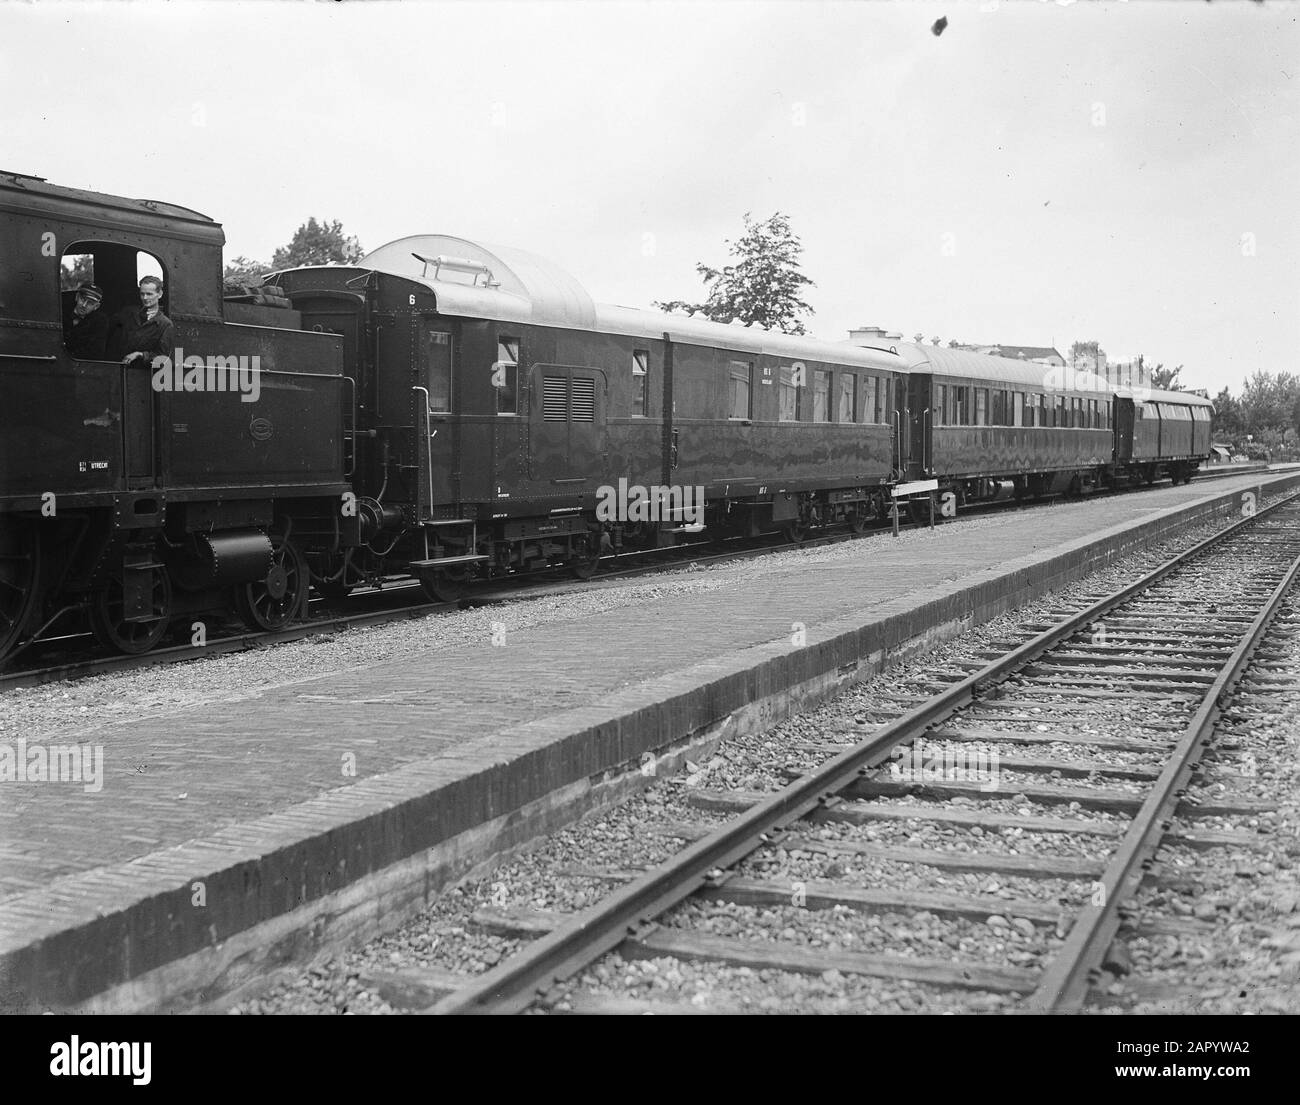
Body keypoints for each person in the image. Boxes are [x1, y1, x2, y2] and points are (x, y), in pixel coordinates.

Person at [112, 275, 175, 366]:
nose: (145, 298)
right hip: (119, 367)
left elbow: (162, 357)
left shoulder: (165, 324)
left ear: (160, 294)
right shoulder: (128, 314)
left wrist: (140, 354)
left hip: (143, 371)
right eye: (142, 294)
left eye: (149, 294)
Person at [64, 282, 110, 360]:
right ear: (77, 297)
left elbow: (96, 352)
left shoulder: (100, 322)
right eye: (83, 299)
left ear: (96, 306)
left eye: (90, 303)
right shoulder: (62, 311)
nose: (84, 305)